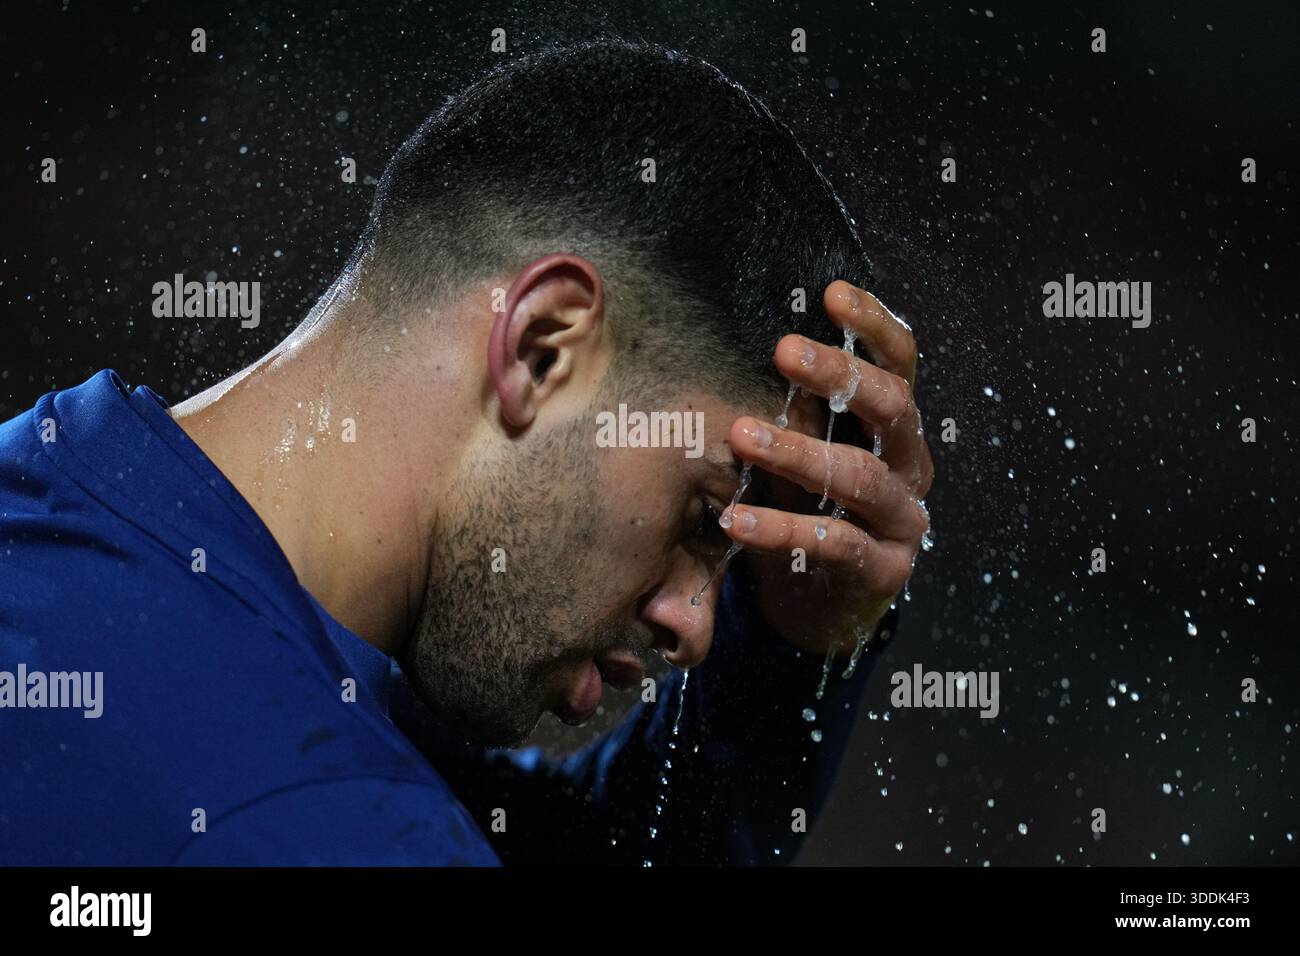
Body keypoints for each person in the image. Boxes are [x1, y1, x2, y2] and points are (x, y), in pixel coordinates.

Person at [0, 40, 932, 865]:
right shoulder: (318, 820)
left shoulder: (47, 502)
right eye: (703, 518)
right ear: (539, 346)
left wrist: (787, 648)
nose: (694, 626)